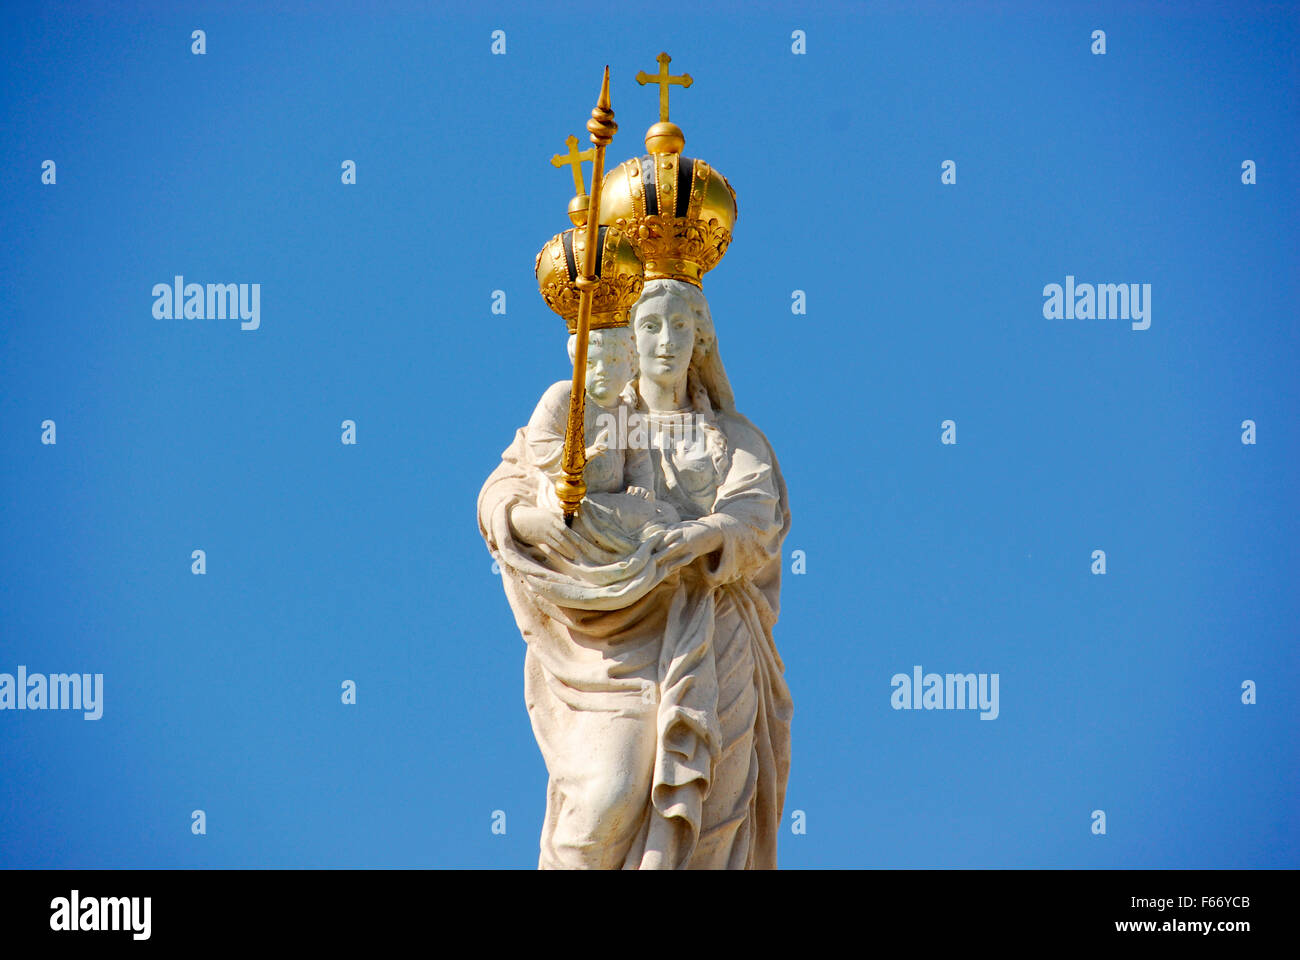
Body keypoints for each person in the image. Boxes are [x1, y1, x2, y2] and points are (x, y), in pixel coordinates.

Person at [478, 278, 792, 868]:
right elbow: (506, 483)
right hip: (612, 639)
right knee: (608, 792)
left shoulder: (735, 437)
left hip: (713, 632)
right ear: (628, 338)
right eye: (650, 326)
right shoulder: (588, 415)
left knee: (713, 821)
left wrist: (704, 534)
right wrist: (520, 516)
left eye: (680, 327)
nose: (666, 342)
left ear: (700, 339)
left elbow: (758, 516)